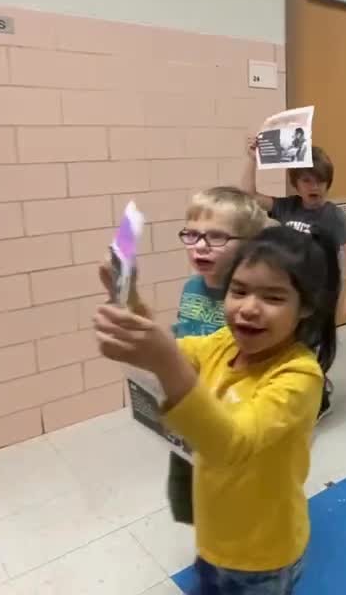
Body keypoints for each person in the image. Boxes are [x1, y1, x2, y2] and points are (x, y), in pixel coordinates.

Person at [93, 226, 339, 595]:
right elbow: (172, 354)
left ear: (305, 307)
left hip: (264, 557)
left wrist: (163, 357)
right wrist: (128, 301)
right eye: (238, 291)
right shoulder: (224, 342)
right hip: (214, 539)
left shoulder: (299, 376)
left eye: (273, 297)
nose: (249, 308)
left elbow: (231, 444)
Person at [110, 186, 269, 526]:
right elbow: (176, 342)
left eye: (216, 237)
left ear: (251, 245)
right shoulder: (192, 287)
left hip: (227, 420)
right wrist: (130, 294)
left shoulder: (251, 301)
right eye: (192, 234)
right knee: (187, 501)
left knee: (233, 506)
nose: (199, 245)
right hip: (189, 413)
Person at [243, 142, 346, 416]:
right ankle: (296, 390)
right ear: (296, 183)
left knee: (309, 346)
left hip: (319, 293)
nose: (314, 186)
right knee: (289, 343)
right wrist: (253, 160)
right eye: (307, 180)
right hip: (290, 291)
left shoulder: (333, 215)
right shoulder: (288, 207)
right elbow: (249, 197)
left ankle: (318, 398)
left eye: (320, 180)